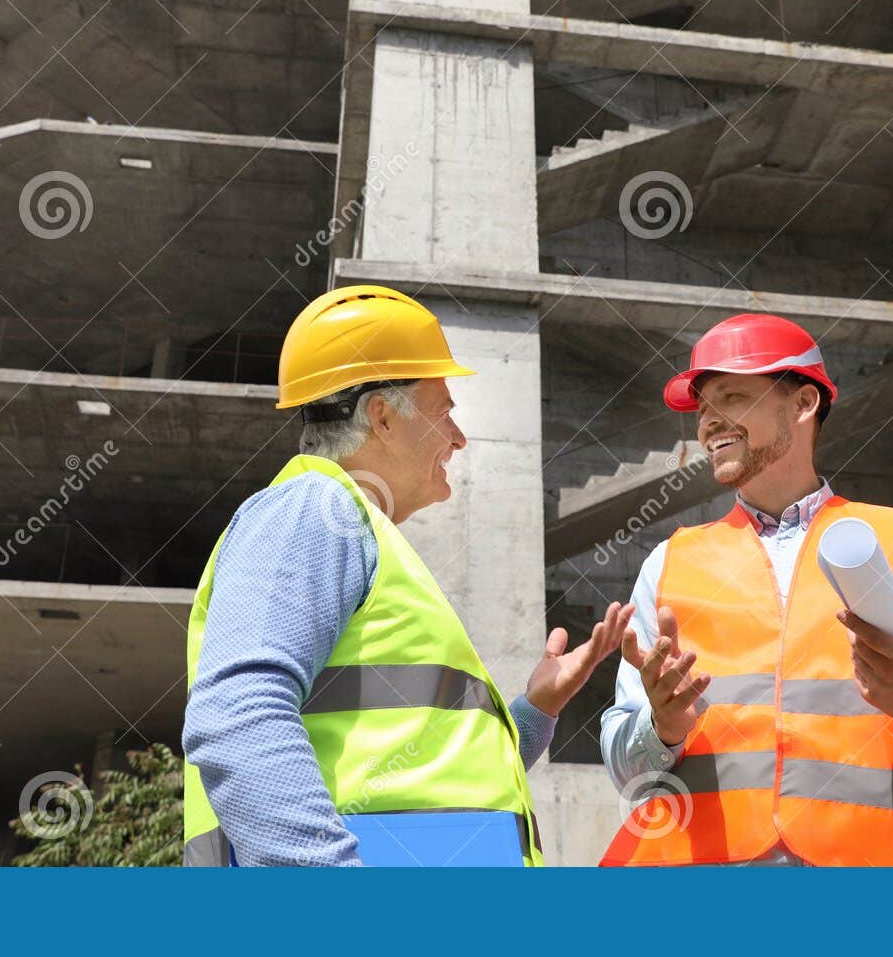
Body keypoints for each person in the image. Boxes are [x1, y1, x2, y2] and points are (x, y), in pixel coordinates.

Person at [183, 284, 632, 866]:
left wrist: (534, 711)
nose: (459, 437)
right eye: (444, 411)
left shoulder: (357, 531)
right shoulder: (315, 512)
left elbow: (421, 780)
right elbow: (237, 717)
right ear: (384, 417)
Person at [599, 313, 893, 866]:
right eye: (702, 409)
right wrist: (659, 729)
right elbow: (623, 768)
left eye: (731, 397)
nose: (708, 424)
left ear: (804, 404)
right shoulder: (670, 562)